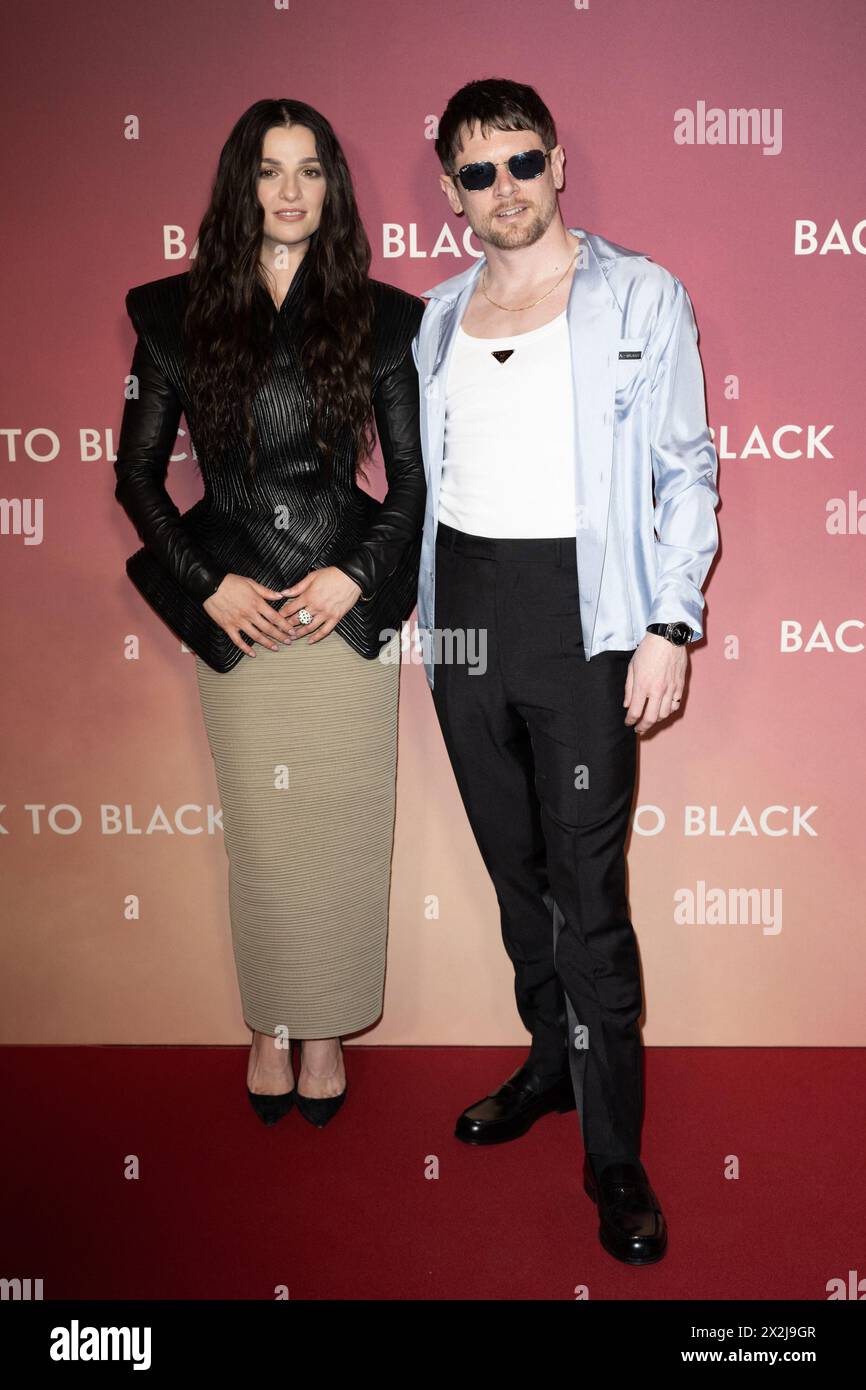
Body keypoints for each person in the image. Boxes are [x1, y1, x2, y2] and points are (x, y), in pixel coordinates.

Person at [412, 78, 720, 1264]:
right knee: (512, 874)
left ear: (556, 164)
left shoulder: (641, 294)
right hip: (461, 619)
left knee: (587, 901)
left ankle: (613, 1155)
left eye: (522, 162)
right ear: (449, 192)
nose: (505, 189)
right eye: (477, 173)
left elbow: (685, 470)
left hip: (584, 619)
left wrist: (667, 623)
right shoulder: (435, 316)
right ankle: (547, 1060)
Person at [114, 99, 426, 1129]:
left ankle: (327, 1026)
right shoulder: (170, 312)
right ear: (237, 186)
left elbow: (417, 484)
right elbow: (138, 477)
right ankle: (268, 1023)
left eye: (308, 170)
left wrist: (355, 573)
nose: (288, 190)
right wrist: (209, 585)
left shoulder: (385, 316)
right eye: (267, 169)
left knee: (342, 826)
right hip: (238, 608)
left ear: (331, 188)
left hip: (341, 606)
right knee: (261, 832)